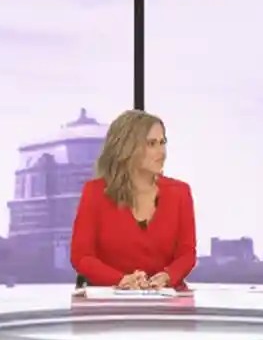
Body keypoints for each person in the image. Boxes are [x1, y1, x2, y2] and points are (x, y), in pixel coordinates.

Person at [70, 109, 197, 290]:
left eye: (162, 142)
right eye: (151, 144)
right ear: (127, 148)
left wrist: (168, 276)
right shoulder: (95, 192)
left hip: (164, 298)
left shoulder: (180, 193)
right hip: (110, 299)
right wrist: (120, 280)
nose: (161, 152)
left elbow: (187, 254)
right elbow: (82, 256)